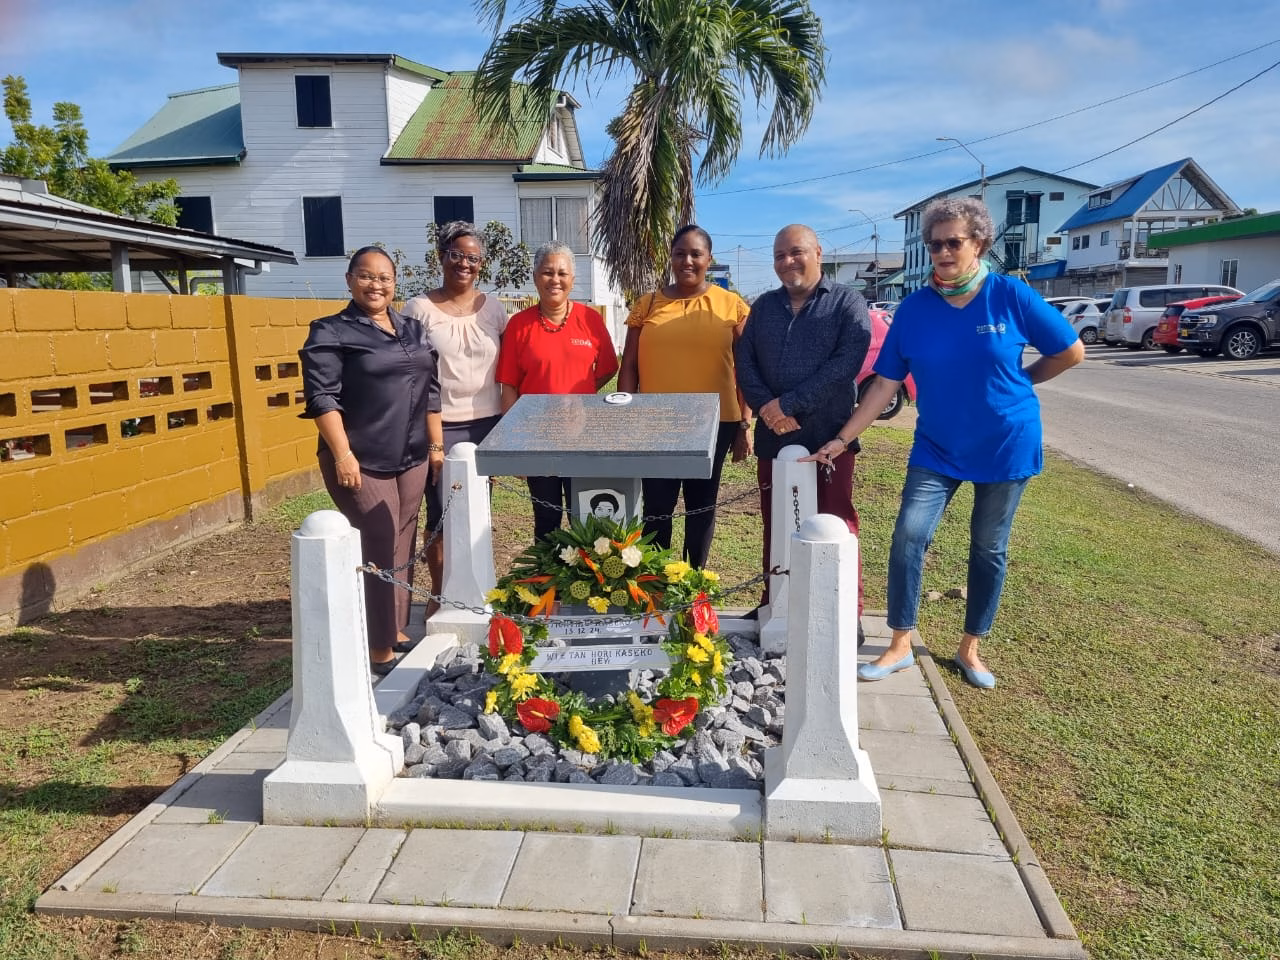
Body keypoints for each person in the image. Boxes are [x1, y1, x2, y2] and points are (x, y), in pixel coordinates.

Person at [805, 197, 1084, 689]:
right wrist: (843, 438)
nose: (942, 253)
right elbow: (885, 384)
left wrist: (1023, 381)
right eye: (935, 245)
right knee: (909, 535)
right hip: (936, 447)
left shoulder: (1010, 295)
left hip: (1006, 444)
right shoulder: (914, 309)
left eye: (953, 242)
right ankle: (899, 643)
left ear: (980, 242)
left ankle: (970, 647)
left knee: (988, 547)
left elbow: (1070, 352)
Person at [299, 246, 444, 677]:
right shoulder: (331, 331)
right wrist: (342, 454)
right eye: (365, 276)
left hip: (412, 455)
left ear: (395, 283)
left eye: (384, 278)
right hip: (361, 458)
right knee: (378, 540)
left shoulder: (412, 329)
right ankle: (378, 646)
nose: (375, 285)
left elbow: (431, 392)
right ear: (349, 280)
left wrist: (436, 448)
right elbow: (322, 398)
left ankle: (395, 628)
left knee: (402, 540)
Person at [734, 224, 871, 624]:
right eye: (779, 255)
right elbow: (744, 361)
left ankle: (847, 613)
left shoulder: (846, 302)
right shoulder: (763, 307)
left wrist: (788, 405)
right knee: (776, 522)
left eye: (796, 252)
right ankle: (774, 603)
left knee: (836, 524)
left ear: (818, 254)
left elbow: (845, 365)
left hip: (829, 437)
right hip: (773, 437)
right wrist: (767, 409)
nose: (787, 261)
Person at [618, 224, 751, 568]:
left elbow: (747, 369)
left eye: (696, 254)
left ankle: (693, 581)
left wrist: (744, 425)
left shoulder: (731, 306)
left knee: (701, 506)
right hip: (655, 423)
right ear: (671, 258)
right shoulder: (647, 305)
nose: (687, 261)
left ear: (709, 259)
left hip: (715, 423)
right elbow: (629, 366)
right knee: (657, 507)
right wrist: (624, 416)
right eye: (680, 253)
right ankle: (655, 581)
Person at [402, 221, 509, 616]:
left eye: (473, 258)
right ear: (441, 257)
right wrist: (433, 443)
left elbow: (509, 369)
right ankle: (440, 593)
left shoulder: (494, 308)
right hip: (439, 425)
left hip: (486, 425)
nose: (464, 263)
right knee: (441, 513)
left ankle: (475, 589)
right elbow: (411, 374)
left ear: (481, 264)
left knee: (477, 511)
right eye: (456, 255)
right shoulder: (418, 309)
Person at [495, 241, 619, 538]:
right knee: (546, 519)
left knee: (584, 517)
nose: (555, 279)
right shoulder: (519, 325)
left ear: (572, 280)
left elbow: (608, 368)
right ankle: (546, 570)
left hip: (581, 436)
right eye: (547, 272)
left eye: (562, 273)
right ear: (535, 277)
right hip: (537, 438)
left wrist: (578, 395)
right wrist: (515, 445)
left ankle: (583, 569)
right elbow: (509, 386)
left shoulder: (590, 320)